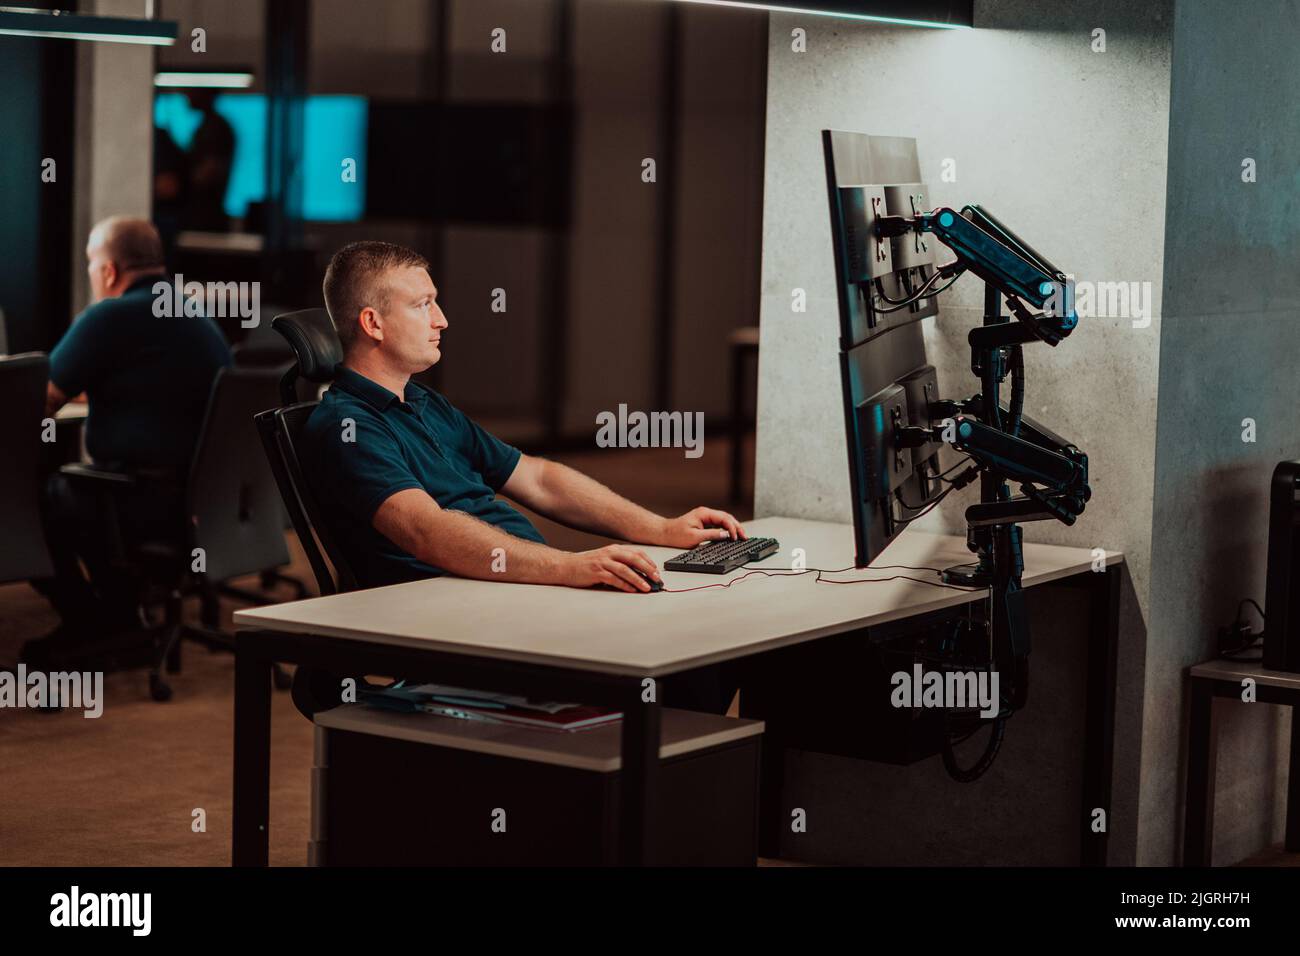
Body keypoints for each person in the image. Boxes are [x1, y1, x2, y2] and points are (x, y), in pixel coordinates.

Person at [298, 241, 745, 713]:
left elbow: (537, 478)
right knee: (687, 654)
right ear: (373, 323)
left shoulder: (424, 403)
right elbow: (426, 530)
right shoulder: (347, 427)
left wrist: (660, 528)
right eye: (422, 304)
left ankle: (671, 774)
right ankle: (650, 777)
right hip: (468, 615)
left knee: (720, 637)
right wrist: (569, 569)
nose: (441, 319)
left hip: (522, 594)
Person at [27, 217, 232, 658]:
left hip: (138, 498)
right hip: (197, 502)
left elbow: (39, 401)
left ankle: (97, 622)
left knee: (32, 503)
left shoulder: (109, 315)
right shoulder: (190, 310)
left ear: (109, 271)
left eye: (91, 264)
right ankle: (120, 617)